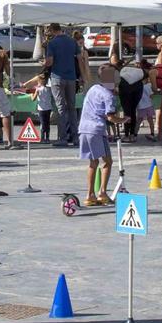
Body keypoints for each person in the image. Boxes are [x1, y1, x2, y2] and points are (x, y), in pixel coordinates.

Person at [77, 62, 119, 207]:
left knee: (93, 163)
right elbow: (111, 117)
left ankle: (90, 195)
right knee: (107, 162)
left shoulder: (93, 88)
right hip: (96, 130)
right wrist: (124, 120)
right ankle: (102, 193)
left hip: (84, 128)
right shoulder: (108, 95)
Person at [42, 25, 87, 147]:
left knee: (61, 108)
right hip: (71, 78)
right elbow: (80, 59)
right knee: (72, 108)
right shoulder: (72, 41)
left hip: (57, 78)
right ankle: (76, 138)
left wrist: (44, 63)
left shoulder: (52, 43)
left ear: (52, 30)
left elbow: (50, 62)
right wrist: (83, 76)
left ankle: (63, 138)